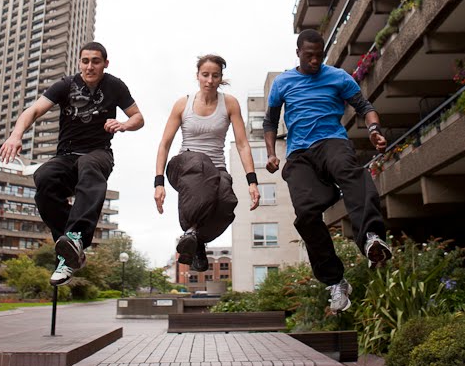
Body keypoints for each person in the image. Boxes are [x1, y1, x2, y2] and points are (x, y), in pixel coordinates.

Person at [263, 29, 391, 313]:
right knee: (306, 215)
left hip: (331, 141)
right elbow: (270, 123)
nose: (315, 61)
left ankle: (370, 237)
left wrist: (373, 129)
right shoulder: (283, 82)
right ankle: (335, 281)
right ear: (298, 52)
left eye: (319, 56)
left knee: (351, 171)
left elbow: (364, 107)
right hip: (299, 154)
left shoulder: (338, 77)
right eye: (309, 56)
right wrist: (271, 154)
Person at [0, 42, 144, 286]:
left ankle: (75, 238)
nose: (90, 67)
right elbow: (33, 111)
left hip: (98, 153)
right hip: (66, 155)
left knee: (89, 165)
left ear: (105, 64)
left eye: (95, 61)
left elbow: (138, 117)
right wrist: (15, 135)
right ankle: (70, 249)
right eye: (85, 61)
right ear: (79, 63)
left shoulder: (115, 86)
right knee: (44, 176)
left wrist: (123, 125)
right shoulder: (65, 86)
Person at [154, 54, 260, 271]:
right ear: (197, 76)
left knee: (227, 200)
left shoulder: (229, 103)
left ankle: (197, 240)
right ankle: (191, 230)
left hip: (216, 168)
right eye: (205, 75)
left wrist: (252, 181)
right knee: (200, 162)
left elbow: (242, 144)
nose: (210, 81)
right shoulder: (183, 104)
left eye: (215, 76)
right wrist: (158, 183)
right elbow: (164, 144)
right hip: (184, 165)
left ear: (221, 78)